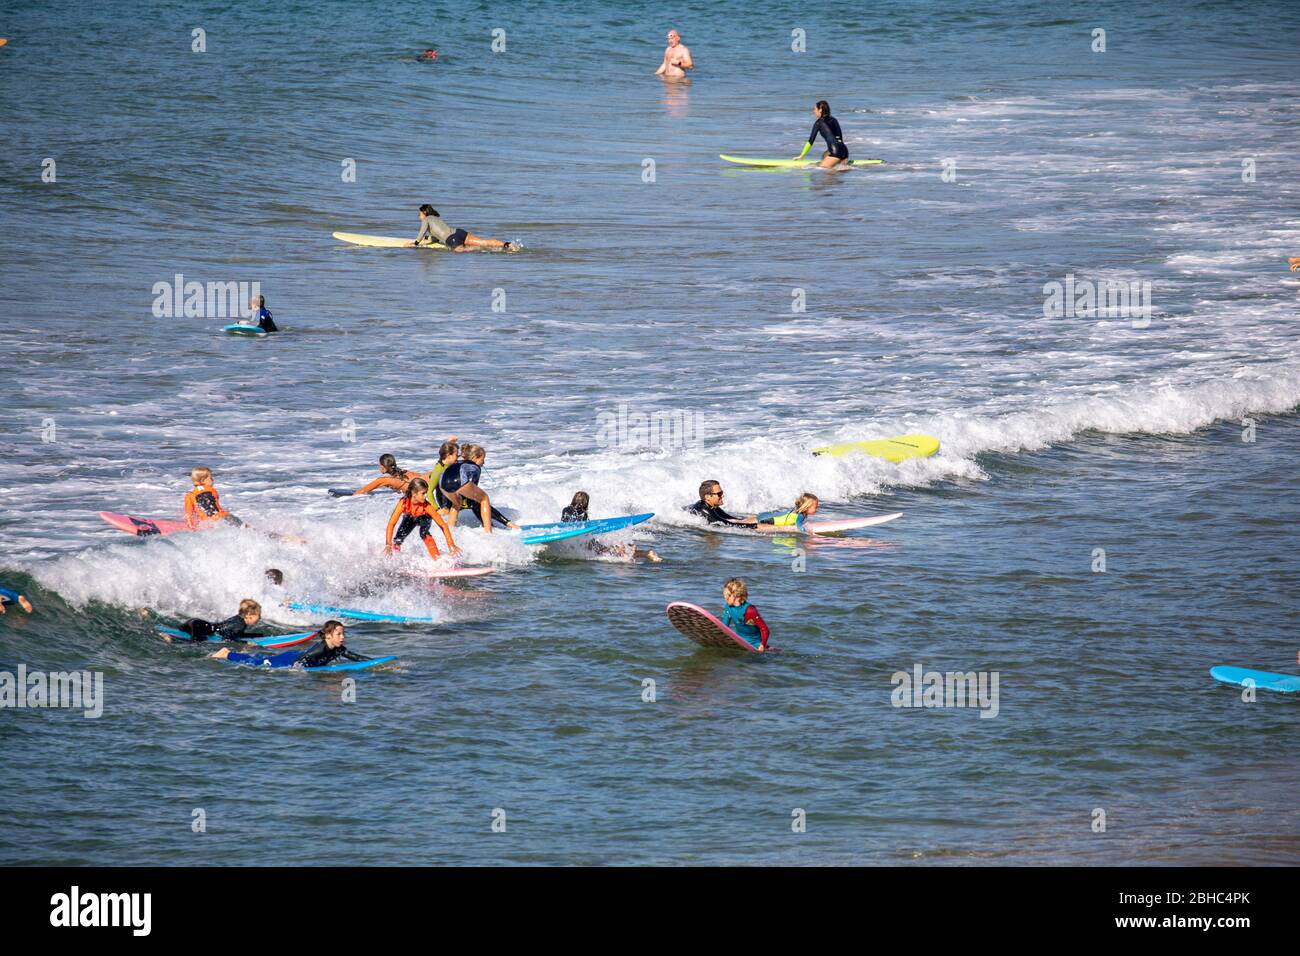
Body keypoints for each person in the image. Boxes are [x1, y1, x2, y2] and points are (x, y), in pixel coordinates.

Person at [211, 620, 371, 669]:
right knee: (257, 662)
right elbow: (300, 662)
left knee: (261, 657)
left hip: (296, 656)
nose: (342, 637)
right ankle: (227, 654)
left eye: (343, 634)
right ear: (328, 636)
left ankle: (232, 653)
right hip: (288, 660)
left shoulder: (338, 648)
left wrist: (376, 663)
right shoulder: (320, 649)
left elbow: (355, 657)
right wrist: (296, 672)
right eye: (339, 634)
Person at [438, 444, 518, 531]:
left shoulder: (458, 463)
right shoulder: (475, 468)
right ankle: (488, 532)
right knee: (484, 498)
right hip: (458, 480)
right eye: (482, 459)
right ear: (475, 457)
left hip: (442, 483)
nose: (483, 463)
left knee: (456, 504)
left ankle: (450, 531)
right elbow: (475, 498)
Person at [562, 492, 661, 562]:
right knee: (608, 550)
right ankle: (638, 551)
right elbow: (584, 528)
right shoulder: (583, 513)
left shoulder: (566, 509)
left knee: (608, 552)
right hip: (585, 540)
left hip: (581, 541)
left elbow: (564, 525)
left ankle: (643, 552)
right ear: (585, 502)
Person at [386, 477, 460, 559]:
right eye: (423, 493)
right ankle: (394, 558)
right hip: (410, 517)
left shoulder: (426, 506)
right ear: (414, 493)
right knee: (398, 539)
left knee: (424, 533)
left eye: (426, 493)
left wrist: (451, 545)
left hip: (424, 518)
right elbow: (391, 524)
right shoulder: (403, 503)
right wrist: (388, 544)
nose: (426, 496)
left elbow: (443, 525)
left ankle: (437, 559)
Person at [408, 204, 515, 253]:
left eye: (420, 213)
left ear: (424, 213)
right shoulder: (435, 219)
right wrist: (427, 239)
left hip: (451, 239)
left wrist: (415, 244)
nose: (419, 216)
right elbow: (436, 237)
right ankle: (507, 244)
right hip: (459, 232)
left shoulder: (426, 220)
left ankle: (485, 250)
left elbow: (421, 233)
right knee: (484, 242)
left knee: (465, 251)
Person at [165, 599, 262, 643]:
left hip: (194, 622)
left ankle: (169, 633)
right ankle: (172, 638)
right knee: (197, 642)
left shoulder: (238, 619)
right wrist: (245, 644)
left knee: (182, 631)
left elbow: (237, 634)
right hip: (200, 627)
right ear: (249, 615)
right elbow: (228, 639)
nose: (260, 618)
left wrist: (258, 635)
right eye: (258, 615)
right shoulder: (240, 625)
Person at [330, 454, 421, 497]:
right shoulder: (406, 473)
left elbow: (360, 492)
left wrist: (341, 496)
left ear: (382, 466)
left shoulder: (384, 480)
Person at [796, 100, 849, 169]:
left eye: (815, 109)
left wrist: (801, 155)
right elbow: (839, 138)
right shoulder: (834, 120)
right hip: (845, 151)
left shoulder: (819, 123)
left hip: (836, 153)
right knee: (824, 155)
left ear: (820, 110)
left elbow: (811, 141)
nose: (814, 111)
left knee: (822, 169)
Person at [721, 578, 770, 652]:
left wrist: (762, 645)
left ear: (735, 595)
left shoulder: (750, 610)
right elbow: (724, 626)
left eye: (727, 595)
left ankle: (770, 649)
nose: (725, 597)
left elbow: (765, 629)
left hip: (755, 645)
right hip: (739, 642)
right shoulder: (728, 607)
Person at [685, 480, 757, 527]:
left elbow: (731, 518)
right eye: (719, 494)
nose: (722, 495)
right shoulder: (703, 510)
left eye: (722, 492)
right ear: (707, 497)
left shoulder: (712, 506)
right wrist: (756, 526)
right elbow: (727, 524)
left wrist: (758, 518)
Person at [755, 493, 820, 533]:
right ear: (807, 507)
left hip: (769, 517)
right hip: (770, 520)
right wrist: (808, 533)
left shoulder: (798, 512)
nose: (817, 509)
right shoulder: (800, 515)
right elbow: (799, 526)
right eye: (815, 507)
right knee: (753, 527)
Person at [424, 437, 460, 506]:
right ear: (448, 456)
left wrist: (450, 443)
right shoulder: (439, 470)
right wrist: (436, 509)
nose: (458, 457)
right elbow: (429, 492)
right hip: (444, 502)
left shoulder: (450, 464)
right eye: (456, 455)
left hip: (453, 498)